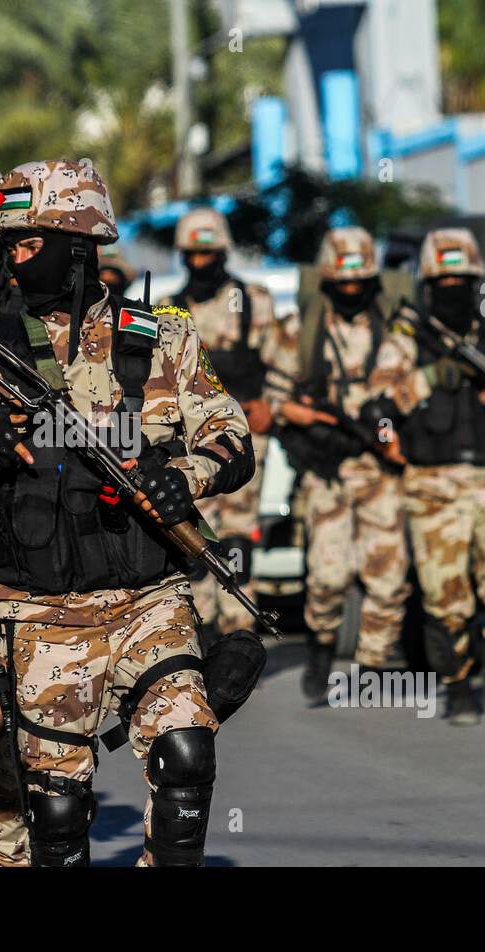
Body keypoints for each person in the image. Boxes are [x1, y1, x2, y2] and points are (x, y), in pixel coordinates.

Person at [0, 158, 254, 866]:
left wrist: (186, 478)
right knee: (57, 814)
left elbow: (230, 435)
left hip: (149, 600)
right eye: (7, 242)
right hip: (40, 616)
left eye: (26, 242)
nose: (9, 256)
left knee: (187, 751)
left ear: (79, 243)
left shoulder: (161, 335)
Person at [369, 229, 485, 724]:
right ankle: (458, 681)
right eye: (445, 280)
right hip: (433, 483)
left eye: (463, 279)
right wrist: (429, 381)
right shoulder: (408, 334)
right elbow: (378, 402)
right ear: (428, 283)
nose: (454, 287)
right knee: (445, 597)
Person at [265, 226, 411, 705]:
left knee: (388, 577)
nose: (351, 291)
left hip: (379, 469)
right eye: (342, 283)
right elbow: (275, 399)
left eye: (360, 283)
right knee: (329, 576)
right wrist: (299, 412)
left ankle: (370, 665)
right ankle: (323, 643)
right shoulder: (299, 330)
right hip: (325, 469)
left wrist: (391, 437)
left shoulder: (394, 328)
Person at [159, 208, 275, 644]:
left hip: (243, 440)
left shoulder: (254, 301)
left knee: (238, 539)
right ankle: (200, 628)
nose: (201, 261)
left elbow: (282, 364)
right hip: (188, 445)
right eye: (193, 253)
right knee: (194, 535)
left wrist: (272, 405)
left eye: (209, 253)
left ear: (223, 250)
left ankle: (240, 629)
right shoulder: (165, 311)